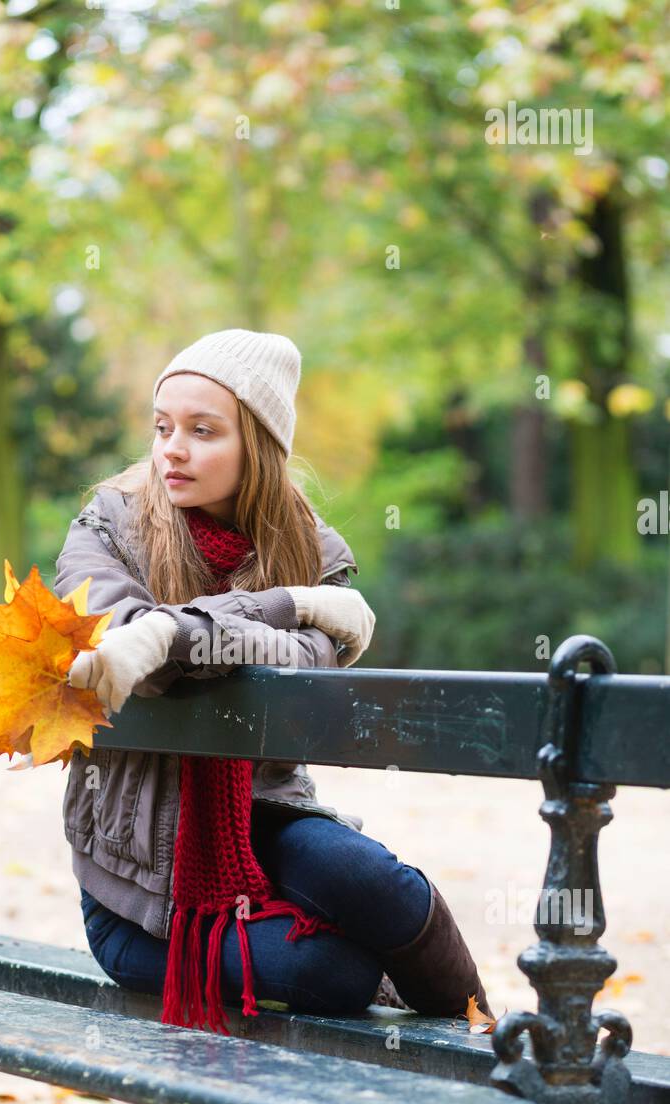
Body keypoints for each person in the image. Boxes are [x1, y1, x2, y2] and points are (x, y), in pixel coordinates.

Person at [53, 327, 492, 1035]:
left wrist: (179, 630)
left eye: (203, 430)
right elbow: (139, 658)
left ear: (257, 445)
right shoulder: (108, 525)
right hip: (137, 901)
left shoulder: (312, 550)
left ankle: (491, 1038)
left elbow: (302, 667)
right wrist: (290, 608)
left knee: (379, 887)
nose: (172, 448)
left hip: (266, 814)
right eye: (162, 427)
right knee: (336, 976)